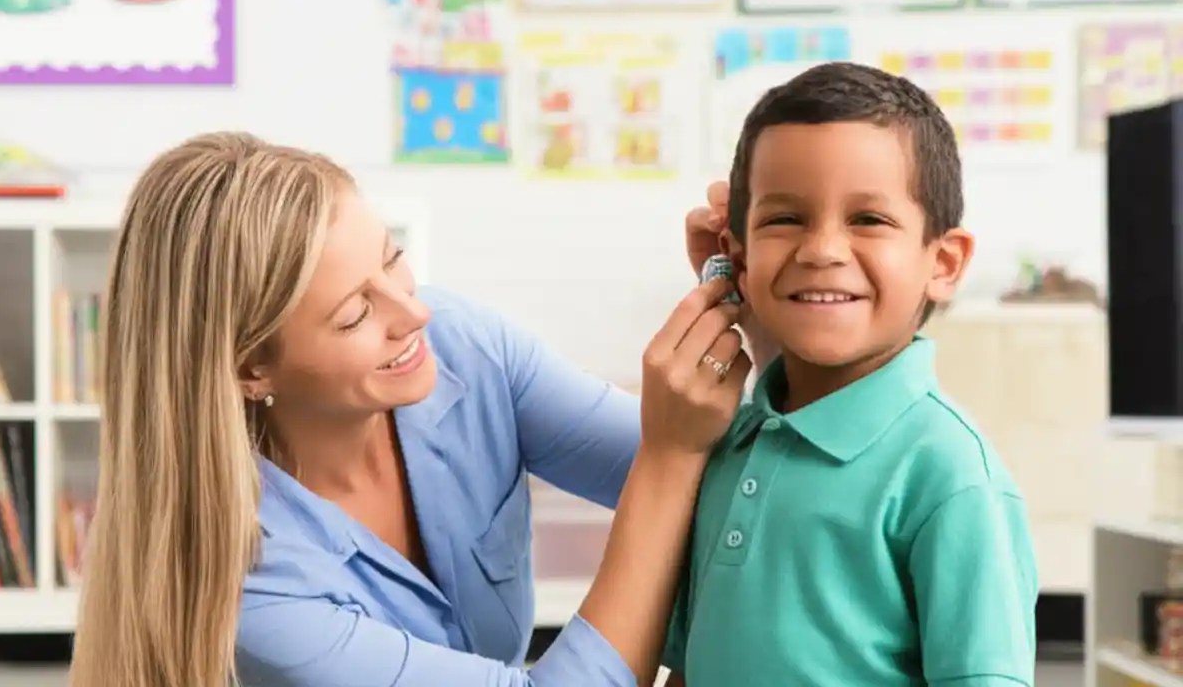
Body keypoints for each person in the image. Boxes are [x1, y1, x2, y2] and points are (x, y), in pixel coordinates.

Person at [66, 131, 752, 687]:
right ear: (250, 367)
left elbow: (738, 482)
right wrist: (668, 455)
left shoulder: (460, 347)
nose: (414, 312)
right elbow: (673, 464)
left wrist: (757, 308)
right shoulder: (254, 586)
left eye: (392, 262)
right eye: (356, 313)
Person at [662, 62, 1040, 686]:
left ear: (943, 263)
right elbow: (687, 665)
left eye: (869, 220)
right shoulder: (728, 443)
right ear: (737, 257)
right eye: (783, 219)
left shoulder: (950, 475)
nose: (821, 250)